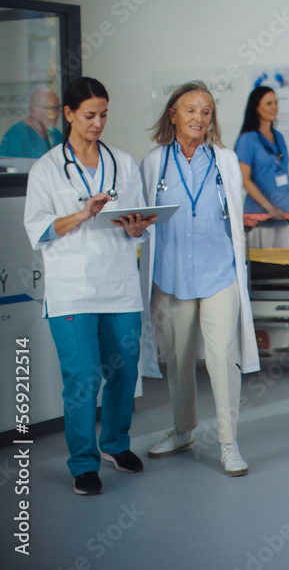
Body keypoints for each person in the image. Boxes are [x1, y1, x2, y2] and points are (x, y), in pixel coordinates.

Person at [23, 77, 155, 495]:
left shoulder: (123, 162)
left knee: (123, 373)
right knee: (82, 379)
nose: (98, 123)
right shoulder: (46, 168)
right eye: (89, 115)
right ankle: (83, 463)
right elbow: (41, 228)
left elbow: (137, 224)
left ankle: (116, 444)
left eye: (103, 115)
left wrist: (137, 228)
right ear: (68, 114)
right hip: (72, 290)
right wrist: (82, 214)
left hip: (119, 285)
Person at [140, 81, 260, 475]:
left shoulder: (223, 159)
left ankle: (229, 443)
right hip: (171, 275)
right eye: (190, 109)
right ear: (172, 114)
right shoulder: (154, 162)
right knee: (176, 359)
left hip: (218, 272)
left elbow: (233, 213)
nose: (199, 117)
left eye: (206, 110)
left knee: (224, 359)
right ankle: (182, 429)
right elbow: (142, 220)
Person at [234, 86, 289, 248]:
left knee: (284, 268)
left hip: (285, 216)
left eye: (276, 102)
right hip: (260, 217)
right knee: (263, 269)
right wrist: (269, 208)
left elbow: (285, 178)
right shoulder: (247, 140)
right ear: (256, 108)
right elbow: (244, 180)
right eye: (269, 103)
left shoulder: (279, 137)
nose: (274, 107)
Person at [1, 87, 62, 158]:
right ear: (34, 111)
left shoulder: (56, 134)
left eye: (59, 108)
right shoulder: (15, 136)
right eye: (53, 109)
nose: (58, 114)